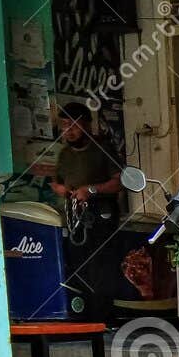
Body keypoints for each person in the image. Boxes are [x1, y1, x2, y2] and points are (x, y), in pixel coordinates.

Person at [50, 102, 123, 316]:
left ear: (87, 125)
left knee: (101, 269)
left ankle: (103, 317)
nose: (69, 131)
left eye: (74, 125)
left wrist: (91, 190)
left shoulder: (102, 149)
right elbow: (56, 183)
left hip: (101, 217)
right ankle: (82, 315)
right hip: (75, 220)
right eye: (65, 126)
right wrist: (62, 190)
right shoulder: (65, 154)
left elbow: (119, 182)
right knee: (77, 268)